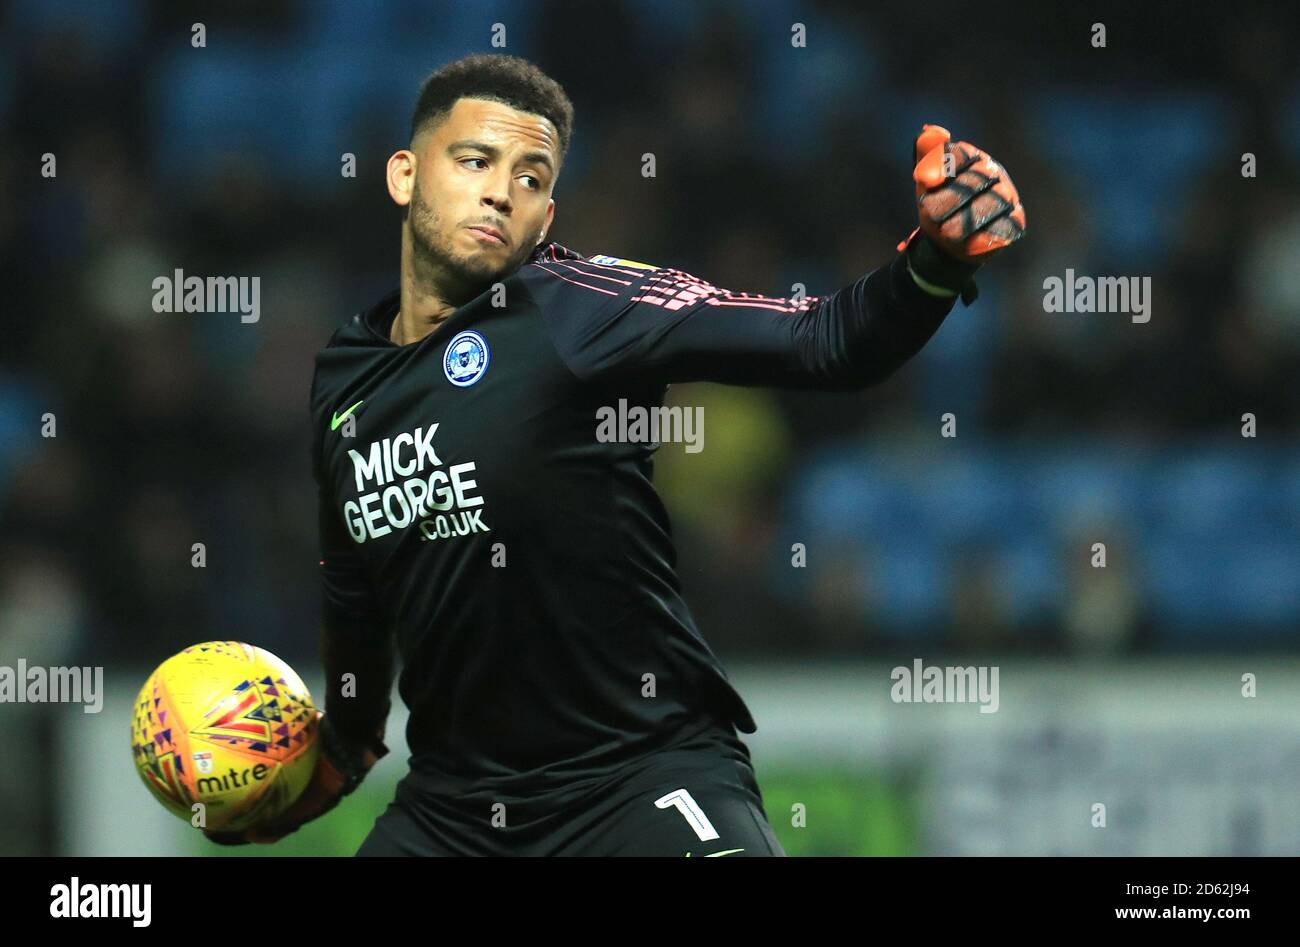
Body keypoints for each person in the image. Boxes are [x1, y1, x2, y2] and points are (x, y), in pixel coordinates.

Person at [206, 53, 1023, 856]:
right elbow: (353, 591)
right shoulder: (345, 378)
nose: (501, 191)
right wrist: (343, 749)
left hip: (636, 777)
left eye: (531, 177)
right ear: (404, 175)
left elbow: (825, 339)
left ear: (546, 218)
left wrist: (934, 262)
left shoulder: (582, 309)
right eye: (475, 161)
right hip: (457, 812)